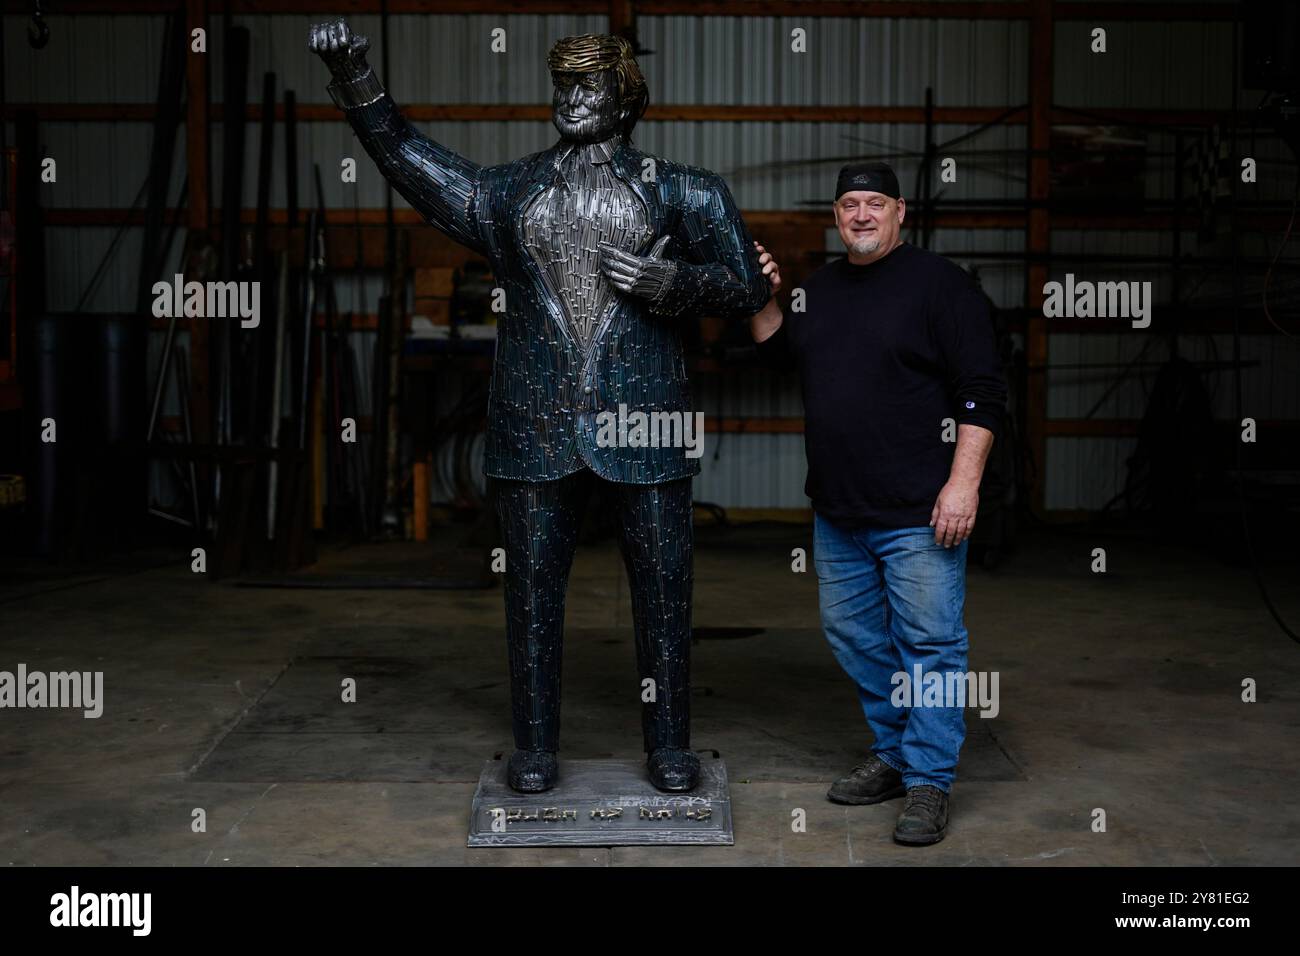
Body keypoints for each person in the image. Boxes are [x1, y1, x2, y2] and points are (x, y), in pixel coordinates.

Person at [309, 22, 770, 794]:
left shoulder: (686, 189)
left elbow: (748, 288)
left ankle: (668, 746)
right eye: (562, 87)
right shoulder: (508, 192)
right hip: (534, 424)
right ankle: (534, 747)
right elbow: (411, 163)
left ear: (626, 99)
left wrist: (678, 287)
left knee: (663, 595)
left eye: (588, 87)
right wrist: (357, 80)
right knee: (529, 594)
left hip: (645, 425)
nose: (570, 101)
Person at [748, 161, 1007, 845]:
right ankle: (894, 751)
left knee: (932, 646)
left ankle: (929, 780)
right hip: (839, 511)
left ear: (900, 211)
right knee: (855, 638)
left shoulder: (943, 288)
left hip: (920, 512)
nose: (860, 215)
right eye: (847, 205)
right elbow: (778, 354)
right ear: (836, 216)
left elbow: (983, 391)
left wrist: (963, 483)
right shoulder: (822, 291)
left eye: (873, 203)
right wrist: (758, 294)